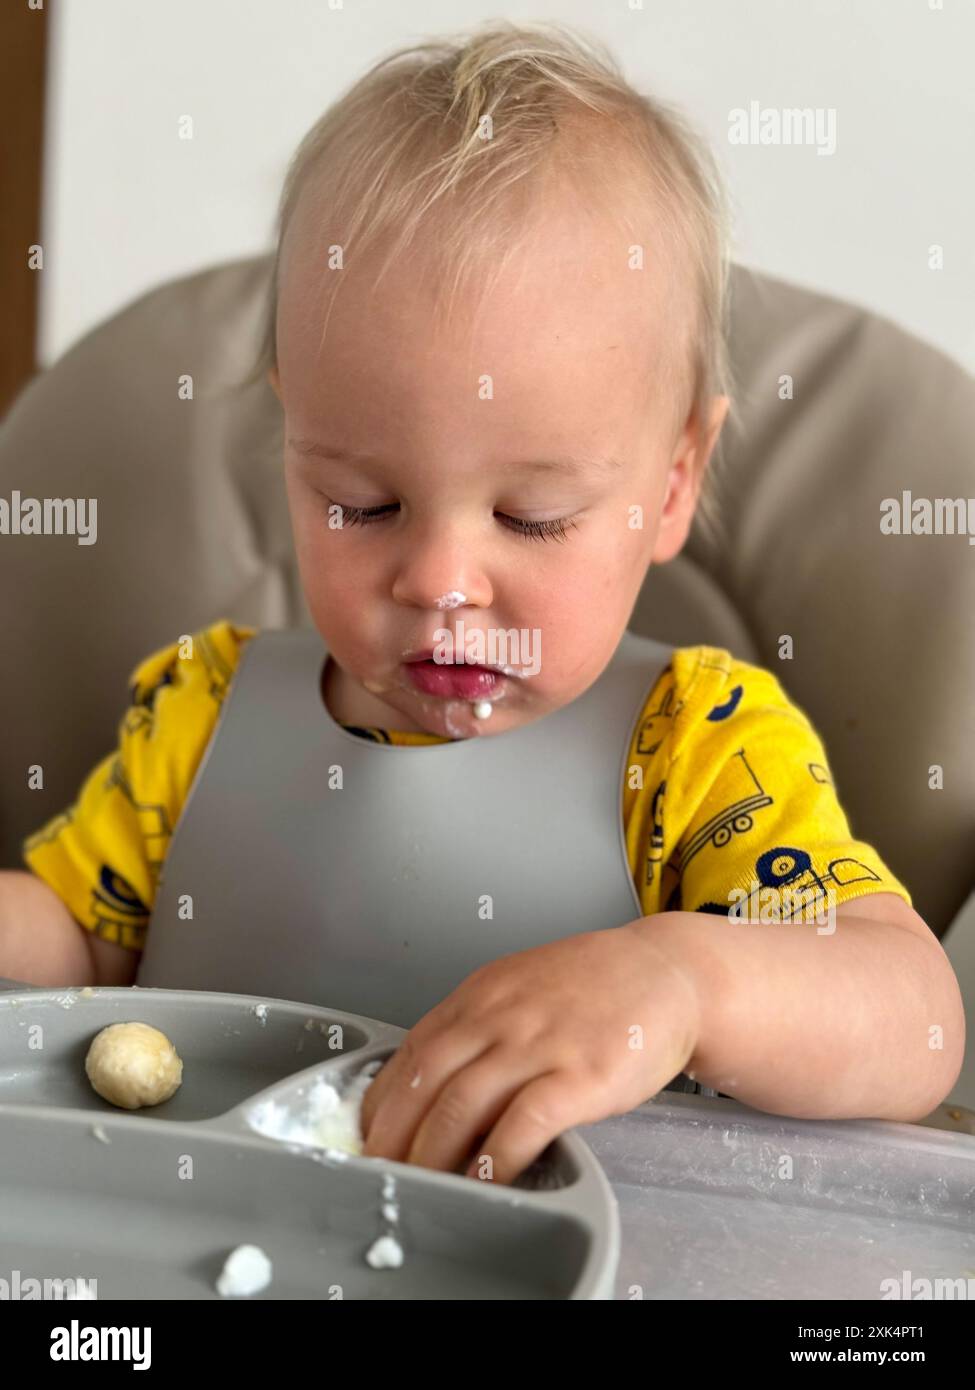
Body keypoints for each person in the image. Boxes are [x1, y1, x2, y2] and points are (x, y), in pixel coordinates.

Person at [0, 22, 963, 1185]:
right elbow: (70, 943)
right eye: (363, 501)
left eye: (533, 517)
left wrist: (685, 982)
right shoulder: (199, 722)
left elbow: (915, 1019)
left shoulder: (695, 756)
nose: (443, 583)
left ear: (672, 483)